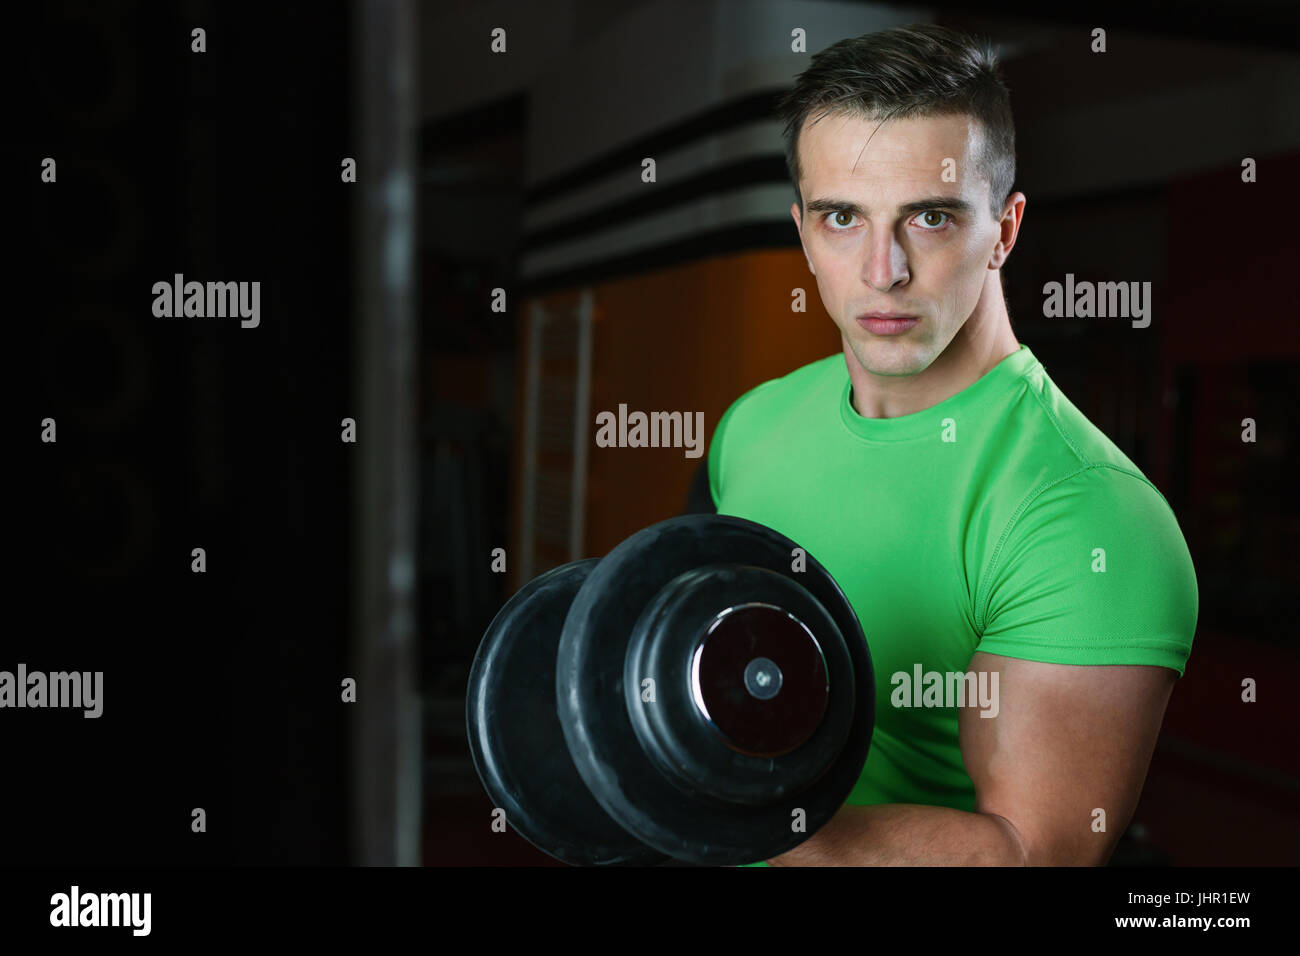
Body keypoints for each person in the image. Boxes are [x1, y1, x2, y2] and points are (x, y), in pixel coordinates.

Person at [707, 23, 1198, 866]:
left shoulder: (1089, 517)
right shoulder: (751, 425)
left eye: (930, 218)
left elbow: (1027, 850)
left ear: (1004, 230)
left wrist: (698, 811)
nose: (882, 269)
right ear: (802, 232)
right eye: (841, 218)